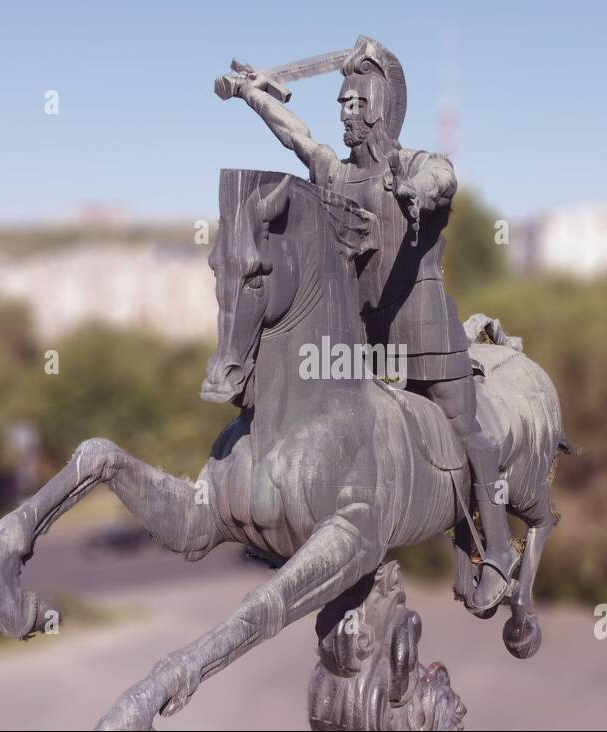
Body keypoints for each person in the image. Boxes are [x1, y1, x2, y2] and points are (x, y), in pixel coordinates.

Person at [217, 35, 516, 609]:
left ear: (380, 106)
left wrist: (414, 192)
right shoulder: (334, 173)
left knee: (470, 433)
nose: (345, 114)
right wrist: (253, 94)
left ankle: (498, 550)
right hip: (360, 337)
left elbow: (442, 180)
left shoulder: (416, 165)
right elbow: (297, 136)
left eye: (355, 104)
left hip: (422, 330)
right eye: (342, 104)